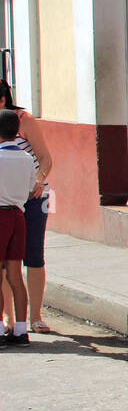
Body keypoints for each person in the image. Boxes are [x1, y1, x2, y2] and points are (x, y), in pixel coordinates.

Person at [0, 81, 53, 337]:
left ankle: (35, 316)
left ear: (2, 101)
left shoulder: (24, 120)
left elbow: (45, 157)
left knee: (33, 253)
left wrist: (40, 180)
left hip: (34, 195)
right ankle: (8, 316)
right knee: (5, 261)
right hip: (5, 200)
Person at [0, 108, 36, 346]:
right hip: (18, 216)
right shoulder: (26, 158)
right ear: (18, 132)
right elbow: (32, 188)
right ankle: (21, 330)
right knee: (15, 276)